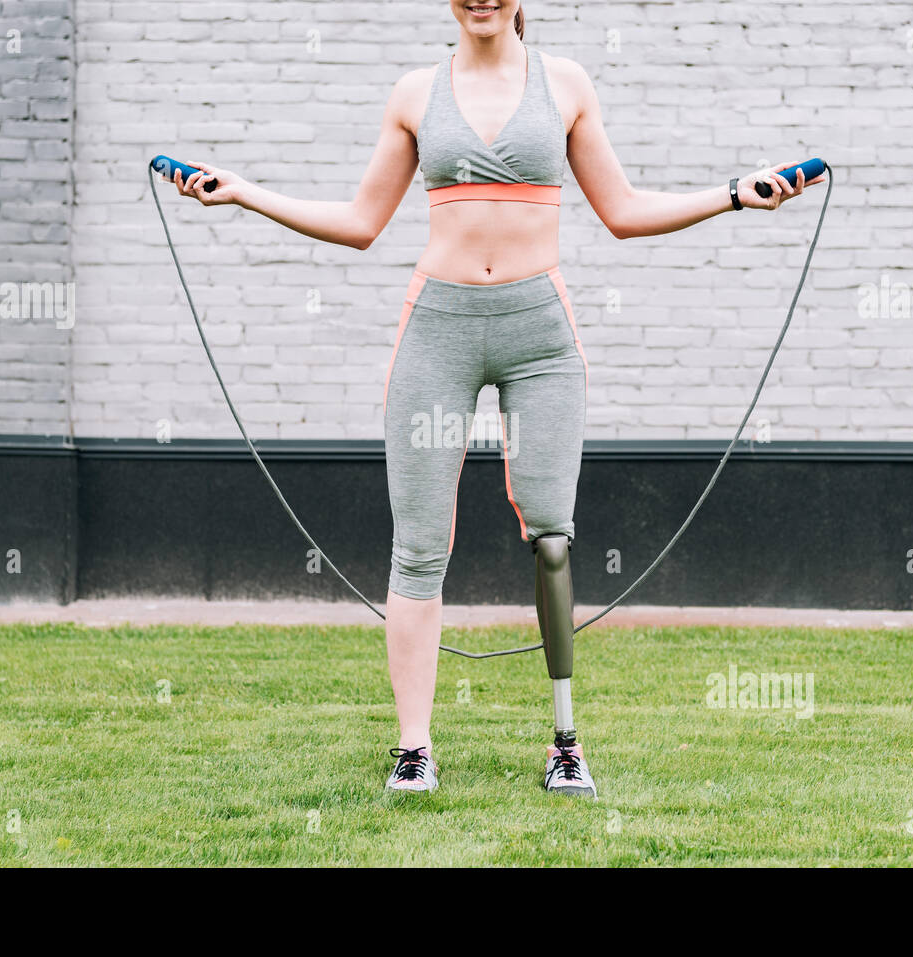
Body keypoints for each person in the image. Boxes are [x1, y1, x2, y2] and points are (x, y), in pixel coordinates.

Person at [172, 0, 822, 797]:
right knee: (417, 547)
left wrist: (731, 193)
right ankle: (414, 748)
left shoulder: (567, 82)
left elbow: (622, 211)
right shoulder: (416, 92)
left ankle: (565, 742)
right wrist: (243, 192)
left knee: (553, 537)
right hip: (437, 329)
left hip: (538, 335)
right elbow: (360, 221)